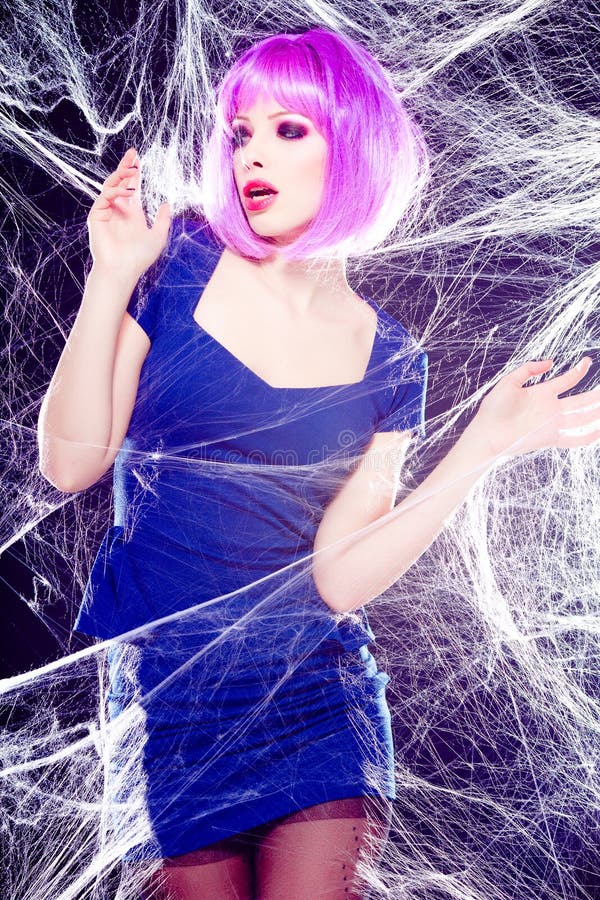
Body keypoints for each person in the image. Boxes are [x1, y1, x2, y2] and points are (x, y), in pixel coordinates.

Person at [36, 28, 600, 900]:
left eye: (288, 130)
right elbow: (70, 466)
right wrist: (110, 276)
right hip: (165, 699)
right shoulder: (174, 268)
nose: (252, 155)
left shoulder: (393, 362)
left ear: (354, 149)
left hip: (317, 700)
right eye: (240, 133)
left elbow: (338, 578)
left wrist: (482, 446)